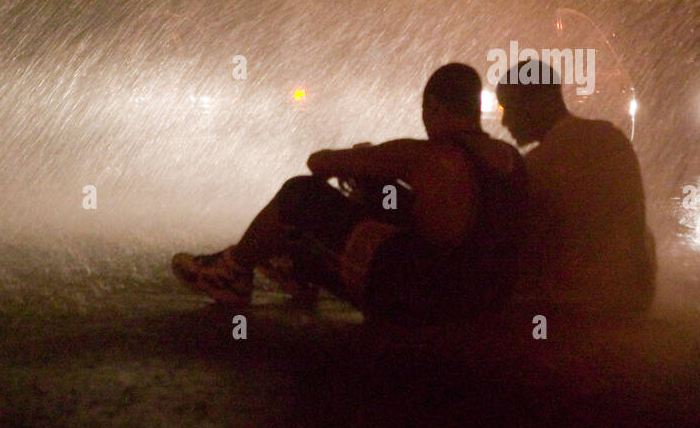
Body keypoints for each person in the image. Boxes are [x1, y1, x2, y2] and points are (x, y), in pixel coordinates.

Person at [171, 63, 527, 323]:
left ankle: (232, 271)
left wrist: (364, 163)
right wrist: (375, 187)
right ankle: (298, 265)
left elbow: (319, 163)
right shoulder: (509, 158)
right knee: (380, 196)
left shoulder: (427, 155)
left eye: (425, 111)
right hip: (484, 303)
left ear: (433, 106)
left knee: (300, 194)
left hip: (418, 304)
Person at [493, 62, 655, 315]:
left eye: (508, 108)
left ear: (540, 103)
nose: (504, 121)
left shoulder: (538, 164)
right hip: (633, 295)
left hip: (572, 306)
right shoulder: (612, 139)